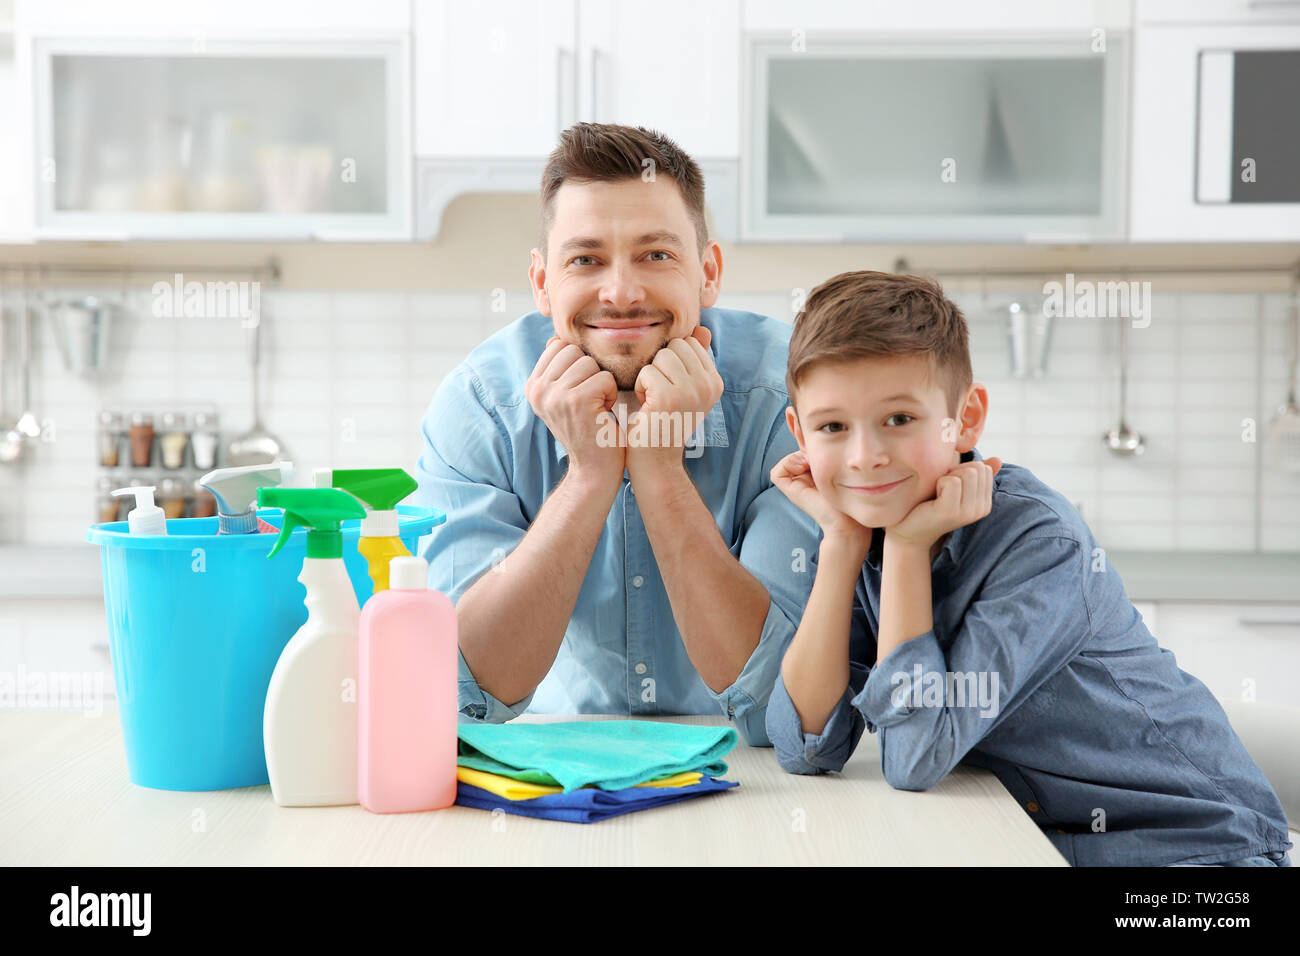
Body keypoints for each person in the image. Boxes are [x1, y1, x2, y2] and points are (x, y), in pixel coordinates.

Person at [764, 269, 1294, 866]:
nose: (865, 457)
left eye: (899, 419)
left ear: (965, 419)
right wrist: (840, 547)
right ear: (799, 436)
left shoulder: (1042, 541)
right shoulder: (860, 532)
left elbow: (915, 758)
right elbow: (806, 747)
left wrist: (910, 550)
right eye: (832, 427)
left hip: (1201, 856)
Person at [413, 123, 820, 746]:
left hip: (756, 779)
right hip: (552, 770)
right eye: (585, 259)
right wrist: (588, 477)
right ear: (542, 282)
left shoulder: (787, 400)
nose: (622, 293)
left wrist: (658, 471)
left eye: (656, 254)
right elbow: (467, 699)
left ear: (707, 272)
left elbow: (777, 711)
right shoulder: (480, 408)